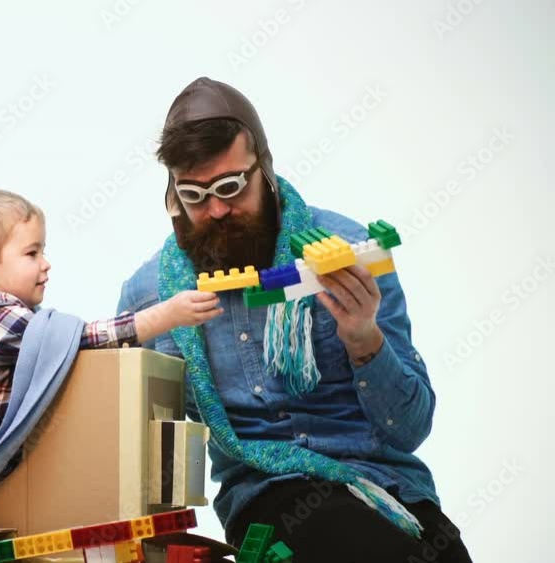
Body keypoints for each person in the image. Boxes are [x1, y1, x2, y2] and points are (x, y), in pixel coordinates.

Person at [116, 78, 473, 562]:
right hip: (270, 495)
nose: (217, 209)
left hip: (390, 488)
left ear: (263, 167)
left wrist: (365, 340)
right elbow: (146, 438)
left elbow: (411, 429)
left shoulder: (350, 252)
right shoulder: (150, 298)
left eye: (230, 187)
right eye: (194, 195)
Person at [0, 188, 223, 486]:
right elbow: (72, 342)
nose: (45, 263)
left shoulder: (13, 315)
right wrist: (162, 316)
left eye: (42, 251)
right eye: (32, 253)